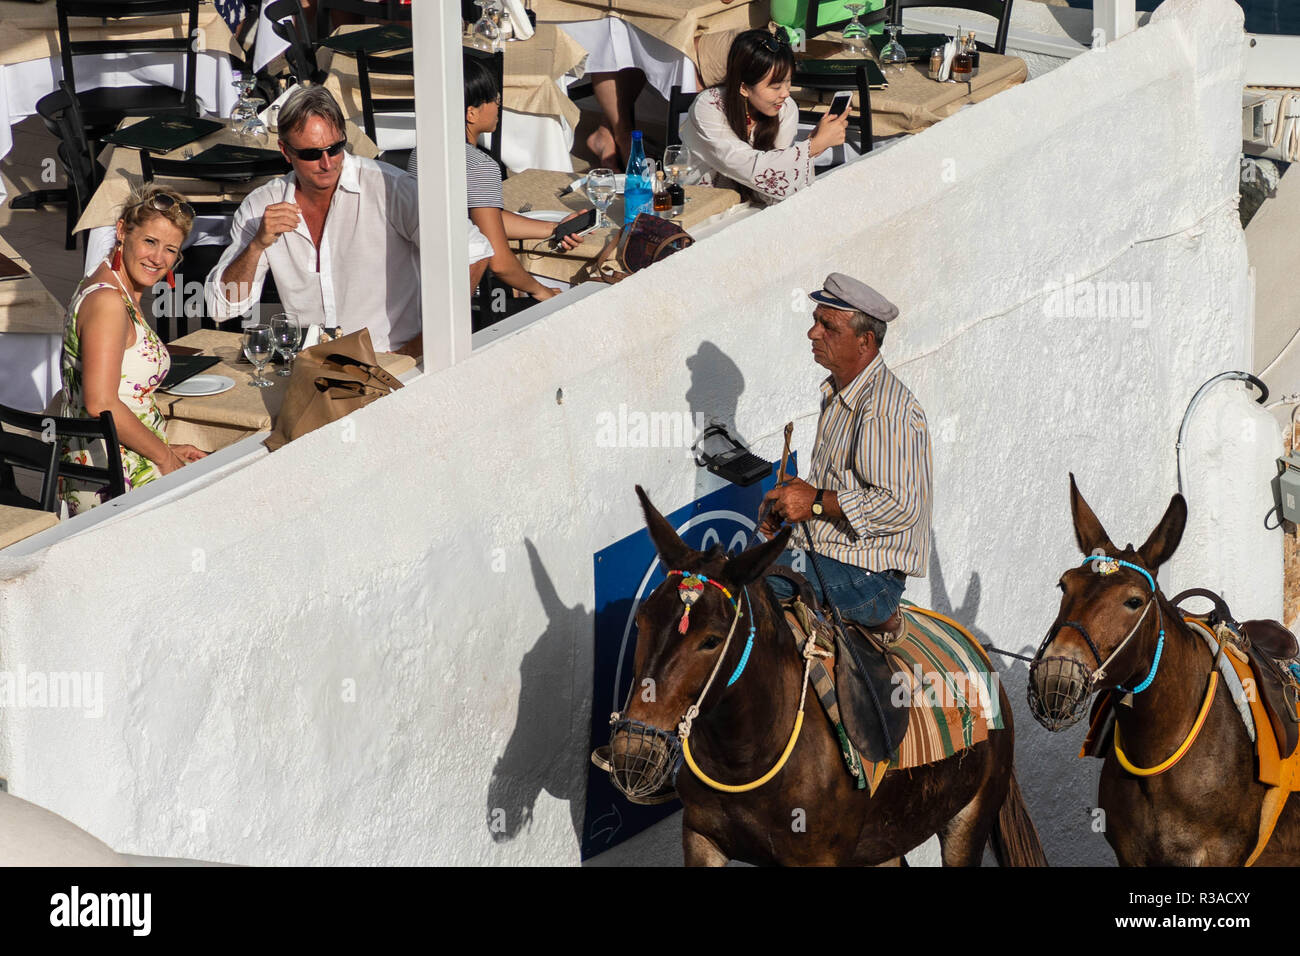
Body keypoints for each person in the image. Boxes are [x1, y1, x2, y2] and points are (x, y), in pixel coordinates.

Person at [759, 273, 933, 628]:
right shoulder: (839, 393)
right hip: (830, 558)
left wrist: (814, 501)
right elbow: (842, 489)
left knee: (745, 584)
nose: (813, 333)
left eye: (828, 327)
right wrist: (794, 498)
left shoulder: (884, 409)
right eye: (815, 321)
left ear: (864, 341)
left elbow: (900, 506)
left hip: (867, 577)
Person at [204, 86, 421, 354]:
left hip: (390, 359)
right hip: (309, 364)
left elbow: (467, 257)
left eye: (336, 148)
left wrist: (413, 352)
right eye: (311, 154)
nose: (327, 163)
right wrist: (256, 247)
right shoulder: (261, 205)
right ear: (285, 151)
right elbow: (222, 307)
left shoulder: (390, 188)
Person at [58, 186, 208, 515]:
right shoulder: (108, 302)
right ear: (122, 231)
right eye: (150, 242)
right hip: (114, 476)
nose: (158, 258)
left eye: (170, 249)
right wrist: (165, 458)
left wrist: (165, 448)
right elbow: (101, 402)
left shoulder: (113, 288)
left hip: (122, 455)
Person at [461, 56, 582, 304]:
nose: (499, 106)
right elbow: (500, 263)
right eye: (495, 99)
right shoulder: (479, 166)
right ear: (471, 113)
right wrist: (540, 291)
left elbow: (480, 220)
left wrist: (553, 229)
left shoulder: (421, 153)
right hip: (470, 293)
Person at [680, 28, 849, 205]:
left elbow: (774, 185)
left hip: (753, 205)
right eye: (775, 87)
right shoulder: (709, 106)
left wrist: (810, 147)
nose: (785, 93)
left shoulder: (786, 108)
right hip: (699, 205)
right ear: (744, 88)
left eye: (788, 82)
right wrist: (812, 147)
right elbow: (742, 164)